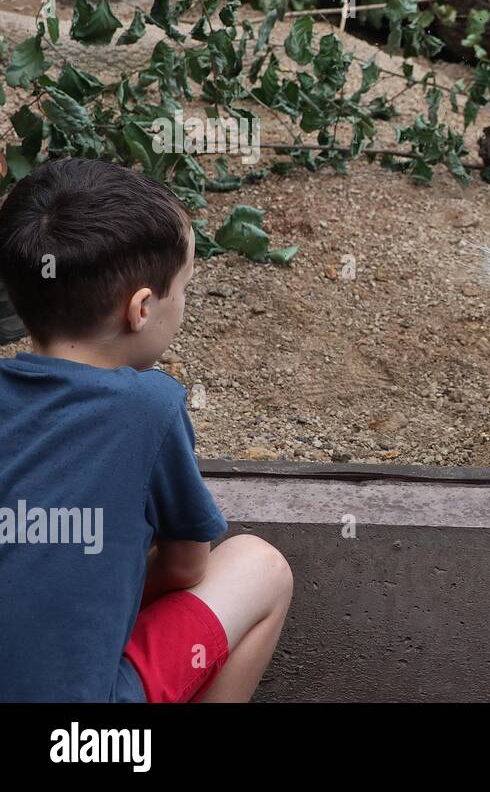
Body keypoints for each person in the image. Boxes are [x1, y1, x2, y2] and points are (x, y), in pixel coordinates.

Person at [0, 158, 292, 702]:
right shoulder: (149, 407)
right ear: (140, 308)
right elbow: (186, 567)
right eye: (182, 290)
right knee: (261, 566)